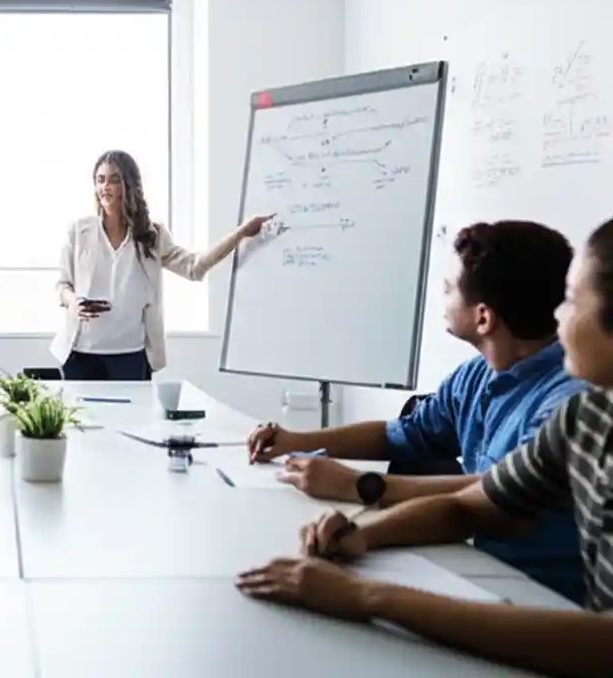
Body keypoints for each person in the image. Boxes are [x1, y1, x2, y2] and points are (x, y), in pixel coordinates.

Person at [236, 217, 613, 678]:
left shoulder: (566, 400)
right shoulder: (588, 417)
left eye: (573, 301)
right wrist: (362, 536)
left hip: (553, 613)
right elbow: (472, 505)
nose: (558, 316)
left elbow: (600, 643)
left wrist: (367, 596)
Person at [50, 150, 271, 380]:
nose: (105, 186)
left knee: (132, 416)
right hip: (81, 354)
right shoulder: (79, 231)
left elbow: (195, 267)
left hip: (131, 356)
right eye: (100, 179)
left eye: (114, 179)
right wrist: (73, 302)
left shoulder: (151, 237)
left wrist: (242, 232)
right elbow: (63, 285)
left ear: (129, 185)